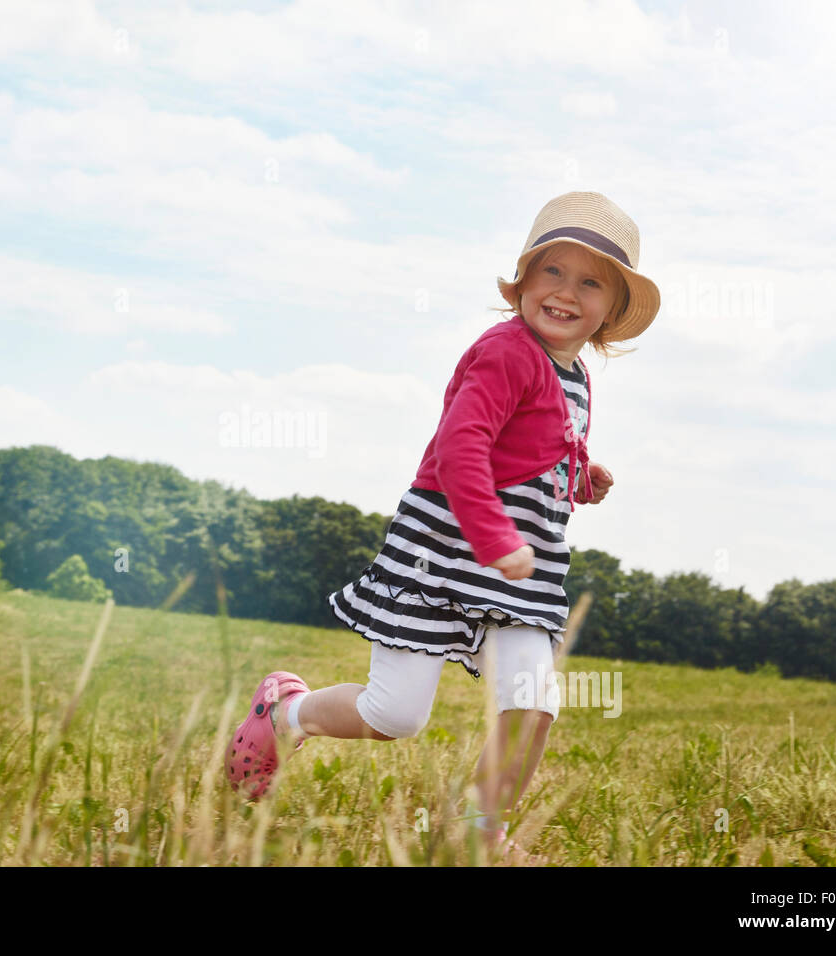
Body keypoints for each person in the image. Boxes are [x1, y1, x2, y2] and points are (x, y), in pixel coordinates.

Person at [226, 191, 660, 863]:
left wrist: (582, 477)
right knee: (395, 715)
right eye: (552, 271)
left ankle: (477, 834)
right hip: (444, 554)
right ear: (522, 279)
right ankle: (288, 713)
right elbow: (462, 450)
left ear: (611, 309)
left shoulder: (573, 373)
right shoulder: (505, 353)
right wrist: (494, 540)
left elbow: (537, 447)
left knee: (533, 696)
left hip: (520, 573)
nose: (566, 292)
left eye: (590, 281)